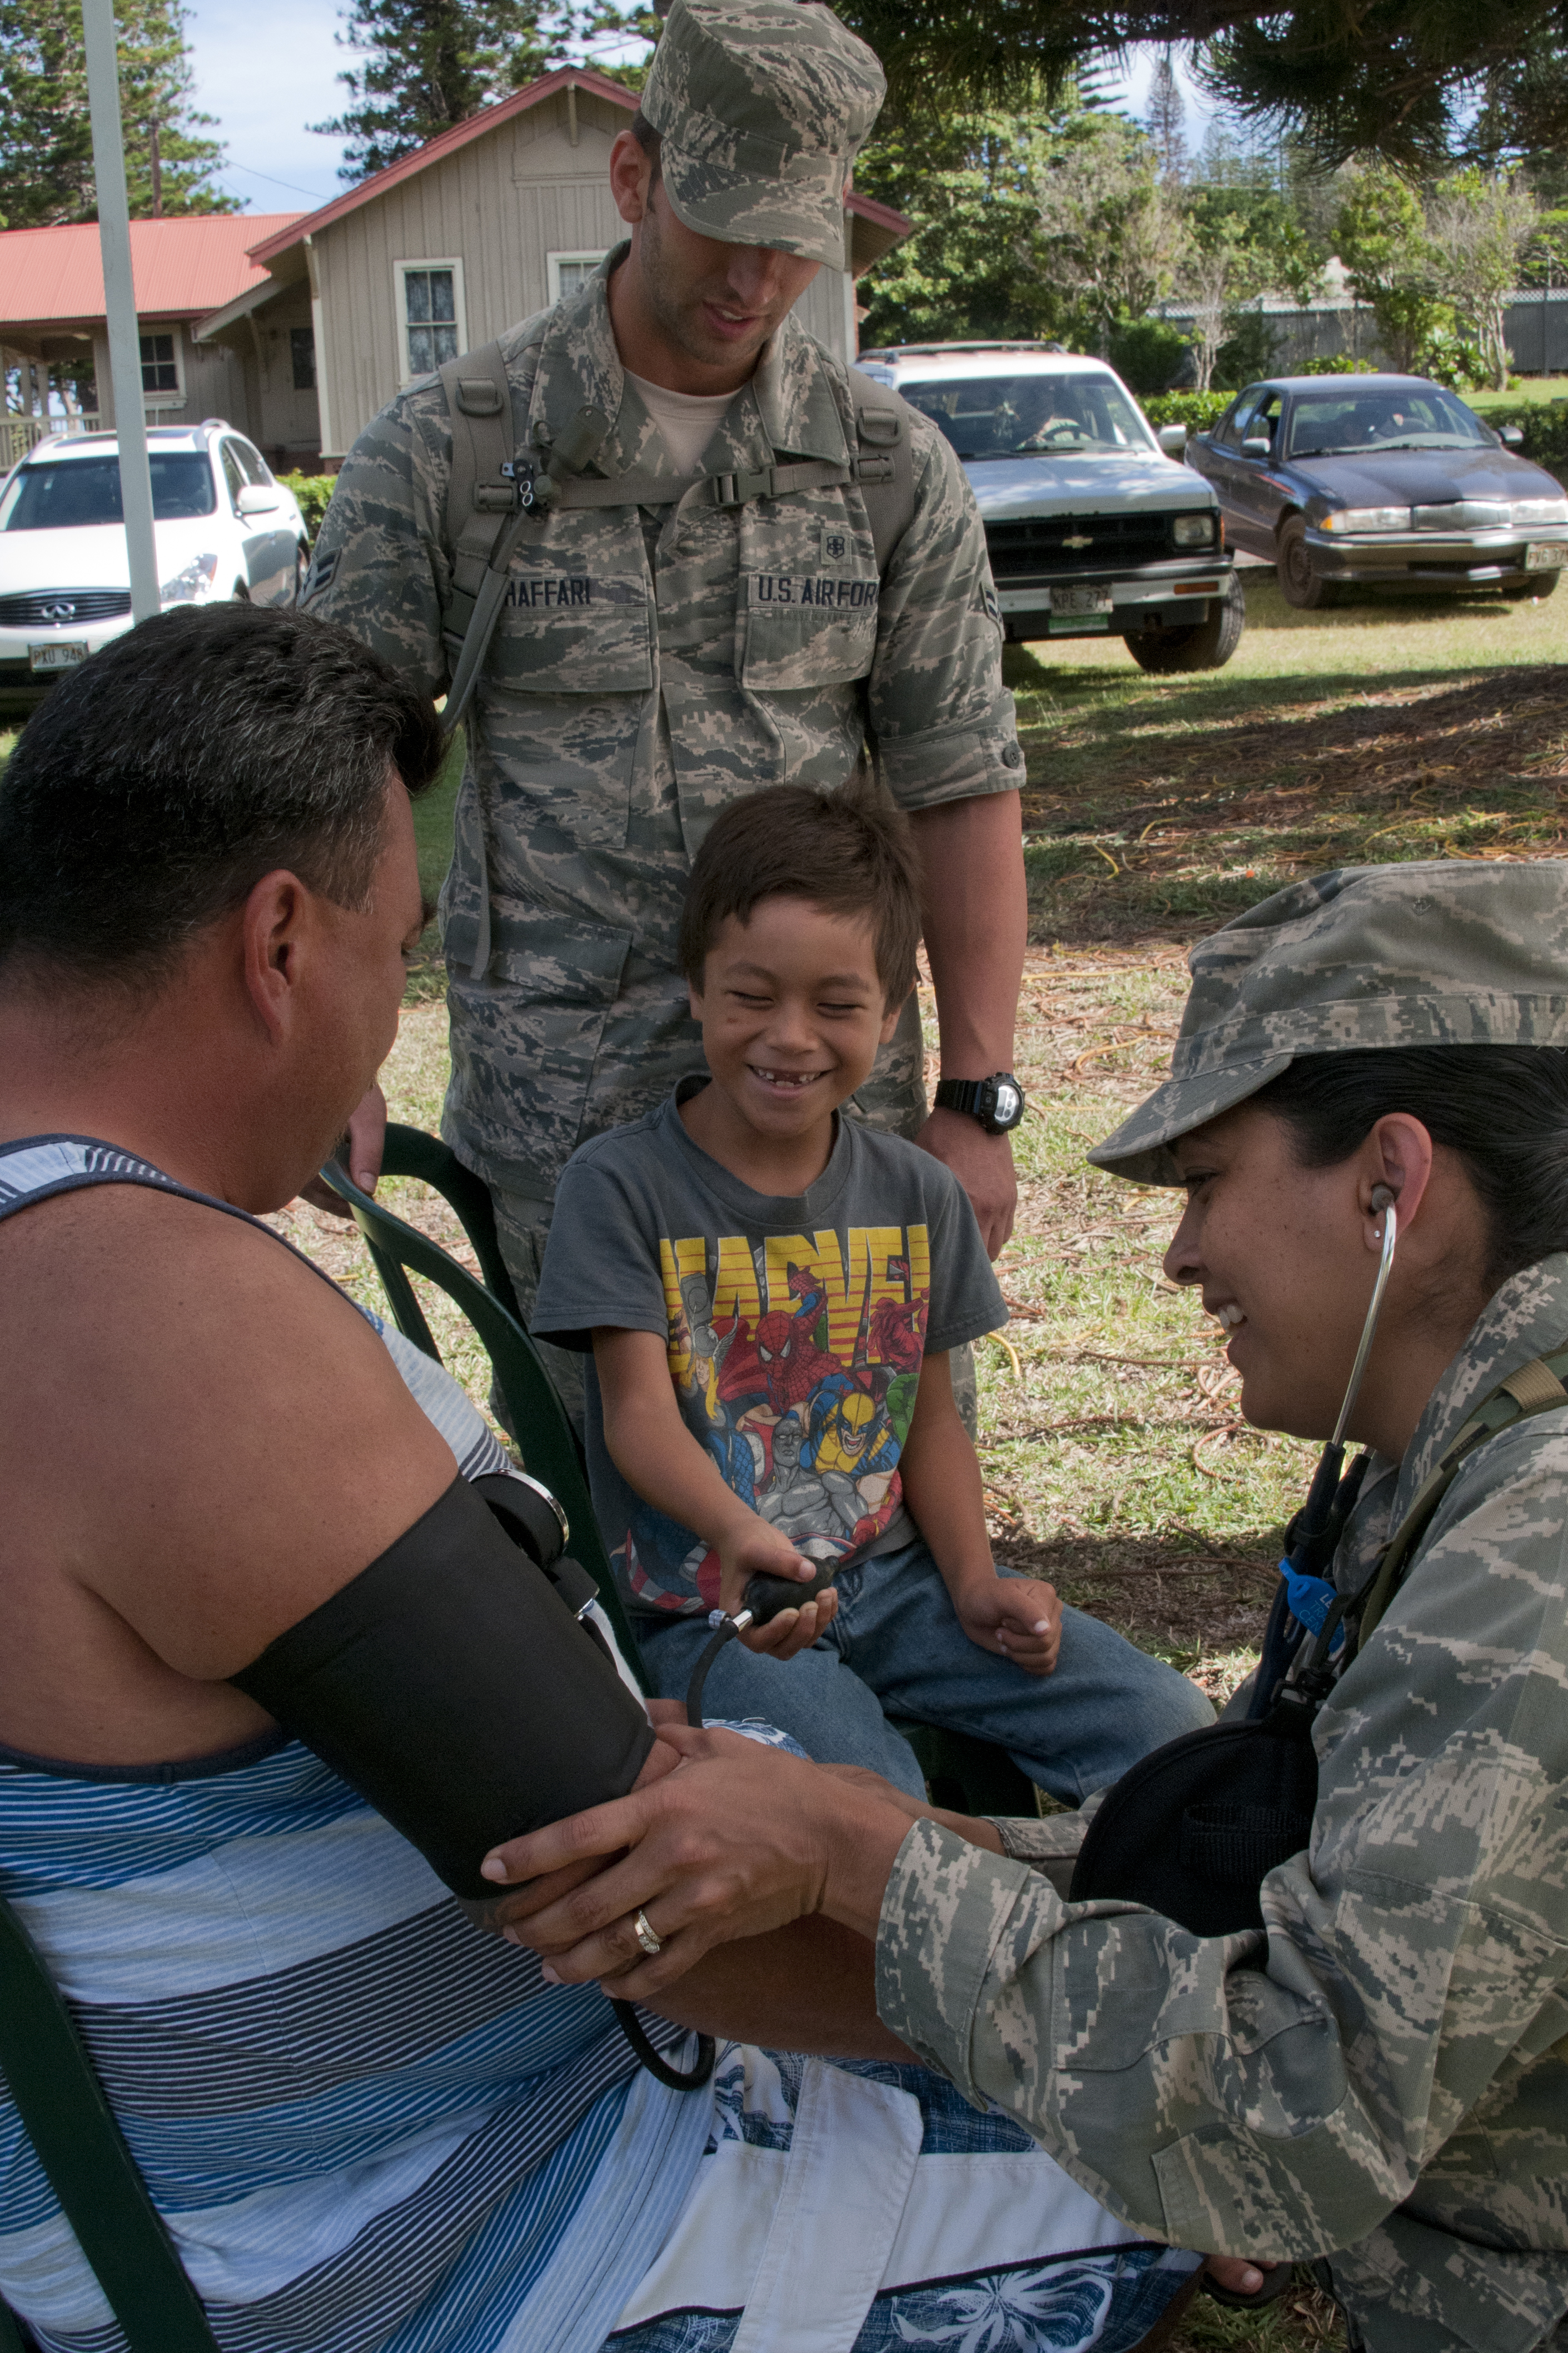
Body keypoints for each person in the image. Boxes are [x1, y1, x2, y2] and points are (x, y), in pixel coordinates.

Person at [0, 604, 1205, 2353]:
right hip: (456, 2244)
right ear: (278, 941)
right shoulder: (147, 1310)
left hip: (166, 2218)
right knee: (1204, 2154)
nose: (379, 1032)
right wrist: (1145, 2029)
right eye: (395, 960)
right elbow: (644, 1899)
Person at [490, 856, 1568, 2353]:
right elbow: (1285, 1873)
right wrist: (883, 1852)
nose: (1180, 1255)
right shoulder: (1459, 1459)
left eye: (1203, 1187)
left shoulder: (1530, 1552)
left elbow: (1286, 2121)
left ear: (1389, 1183)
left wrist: (860, 1857)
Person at [304, 0, 1029, 1428]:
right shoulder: (453, 454)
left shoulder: (887, 468)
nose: (758, 275)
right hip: (567, 1130)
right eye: (722, 221)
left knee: (848, 1521)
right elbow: (335, 776)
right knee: (605, 1545)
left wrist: (981, 1094)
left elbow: (961, 780)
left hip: (830, 1131)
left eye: (795, 236)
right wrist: (339, 1056)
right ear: (634, 184)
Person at [530, 780, 1212, 1796]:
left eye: (837, 1004)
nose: (790, 1037)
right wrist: (737, 1538)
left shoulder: (917, 1193)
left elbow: (929, 1422)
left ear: (891, 1015)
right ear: (697, 987)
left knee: (1175, 1730)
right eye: (752, 996)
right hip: (718, 1612)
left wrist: (977, 1582)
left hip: (901, 1588)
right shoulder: (620, 1187)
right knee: (868, 1803)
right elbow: (634, 1419)